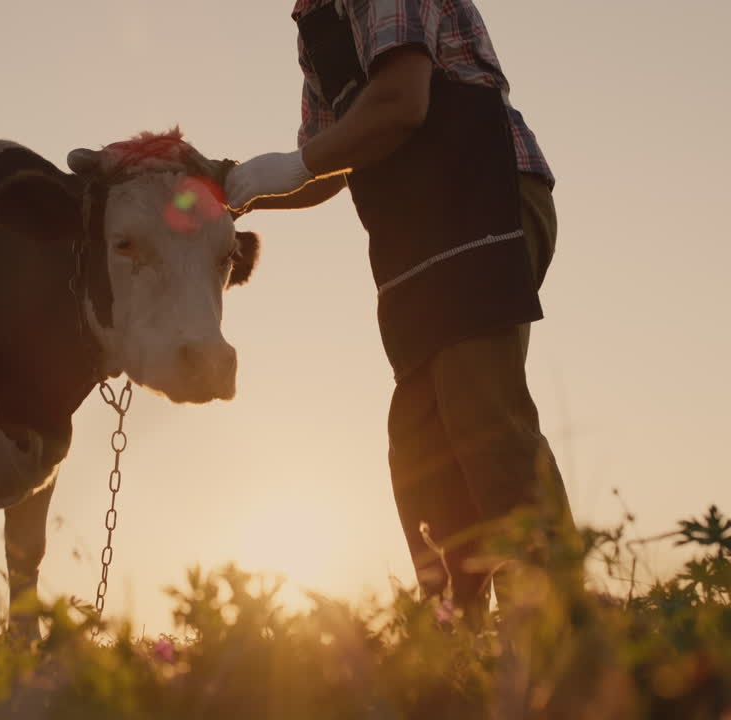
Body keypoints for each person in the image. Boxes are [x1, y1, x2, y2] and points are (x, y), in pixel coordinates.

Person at [225, 0, 576, 628]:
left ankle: (561, 627)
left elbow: (400, 102)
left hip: (482, 195)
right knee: (419, 439)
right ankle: (457, 635)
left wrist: (292, 166)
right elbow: (329, 161)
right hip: (415, 227)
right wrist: (225, 183)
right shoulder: (315, 22)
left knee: (478, 405)